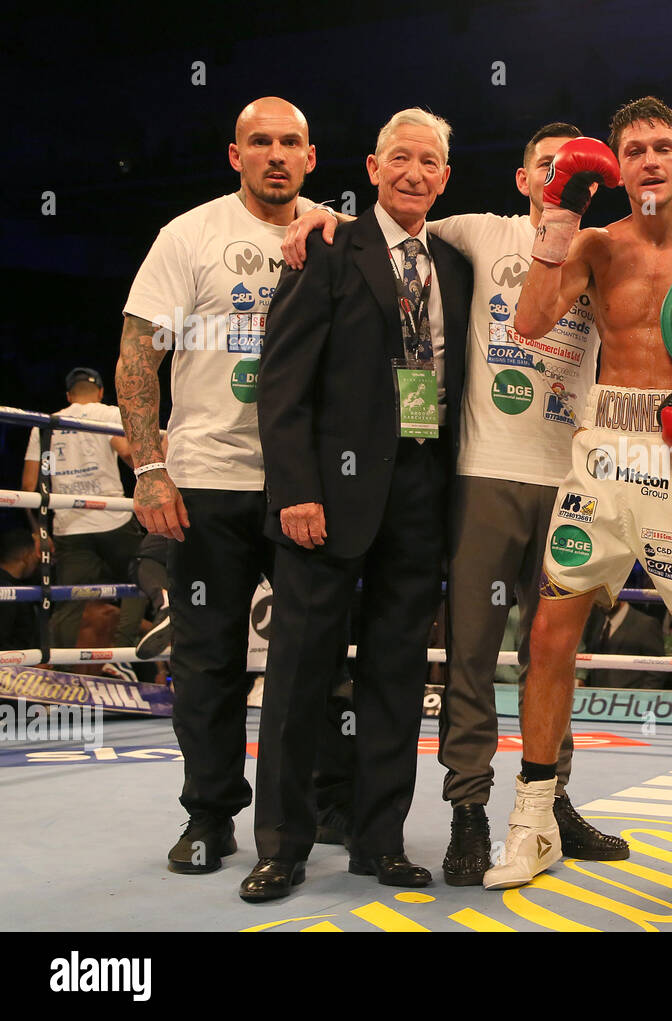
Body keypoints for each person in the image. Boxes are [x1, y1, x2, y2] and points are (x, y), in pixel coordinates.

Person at [280, 122, 626, 887]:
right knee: (469, 655)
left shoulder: (604, 250)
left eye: (575, 171)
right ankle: (468, 809)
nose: (561, 180)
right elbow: (389, 221)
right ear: (523, 177)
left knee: (556, 655)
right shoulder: (477, 231)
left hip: (574, 477)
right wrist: (317, 215)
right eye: (548, 167)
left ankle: (551, 801)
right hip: (482, 473)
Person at [482, 96, 672, 898]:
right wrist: (557, 210)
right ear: (615, 167)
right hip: (604, 442)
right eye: (633, 149)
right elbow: (535, 321)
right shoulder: (595, 242)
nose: (648, 160)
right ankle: (532, 823)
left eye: (661, 147)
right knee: (548, 635)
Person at [239, 108, 470, 902]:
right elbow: (283, 380)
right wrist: (295, 488)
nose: (413, 172)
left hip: (420, 489)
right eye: (399, 158)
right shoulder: (330, 246)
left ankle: (380, 839)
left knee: (398, 677)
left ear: (445, 176)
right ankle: (283, 844)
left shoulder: (456, 263)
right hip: (327, 496)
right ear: (372, 168)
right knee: (300, 672)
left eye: (429, 161)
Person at [116, 97, 349, 876]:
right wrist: (150, 468)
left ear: (311, 157)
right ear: (235, 154)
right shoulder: (189, 235)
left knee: (314, 656)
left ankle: (325, 805)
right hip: (207, 482)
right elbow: (137, 356)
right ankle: (209, 816)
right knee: (210, 660)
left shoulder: (334, 235)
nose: (276, 155)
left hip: (304, 485)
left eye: (291, 143)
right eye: (261, 143)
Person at [21, 368, 146, 653]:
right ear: (100, 391)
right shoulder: (107, 414)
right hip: (113, 519)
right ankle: (123, 652)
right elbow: (128, 453)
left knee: (70, 602)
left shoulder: (45, 425)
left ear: (69, 395)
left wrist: (39, 532)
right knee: (142, 578)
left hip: (70, 525)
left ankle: (57, 670)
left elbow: (31, 486)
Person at [0, 529, 41, 652]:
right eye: (36, 553)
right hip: (13, 666)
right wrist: (32, 662)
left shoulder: (19, 584)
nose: (38, 559)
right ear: (26, 555)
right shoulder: (6, 591)